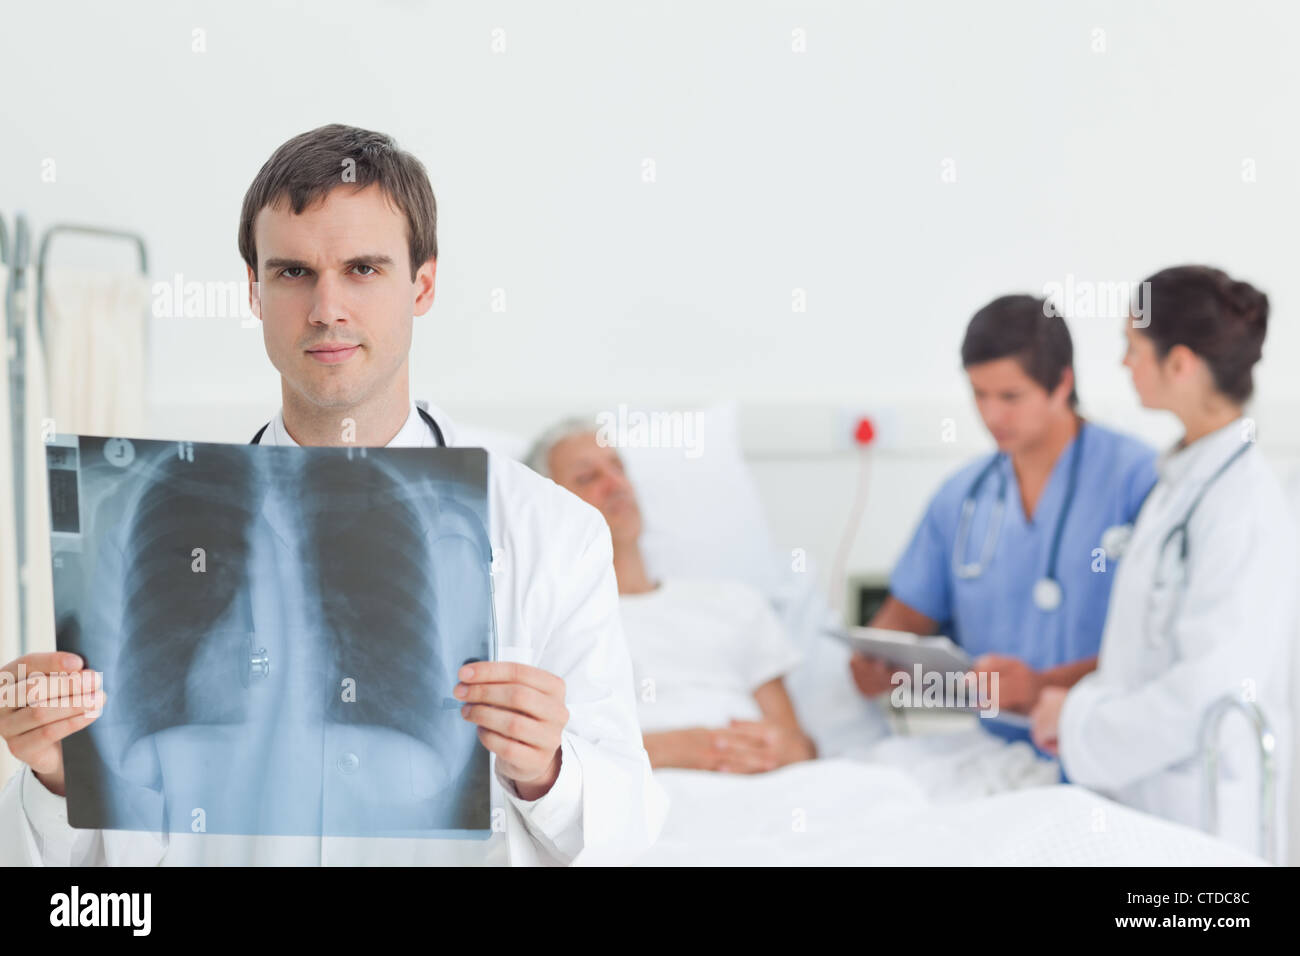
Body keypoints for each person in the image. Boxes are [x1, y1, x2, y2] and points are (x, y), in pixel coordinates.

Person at [0, 123, 667, 866]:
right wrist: (57, 775)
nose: (326, 309)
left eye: (362, 269)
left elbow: (629, 835)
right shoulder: (148, 522)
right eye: (292, 273)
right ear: (253, 290)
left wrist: (547, 772)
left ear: (423, 283)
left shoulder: (552, 533)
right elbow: (99, 878)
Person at [1030, 265, 1296, 860]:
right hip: (1151, 803)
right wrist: (1072, 711)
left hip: (1203, 823)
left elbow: (1206, 694)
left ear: (1180, 364)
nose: (1124, 364)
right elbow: (1142, 658)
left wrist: (1077, 723)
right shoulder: (1180, 484)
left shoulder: (1243, 508)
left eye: (1133, 348)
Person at [850, 295, 1159, 740]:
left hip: (1102, 749)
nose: (992, 415)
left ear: (1062, 384)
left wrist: (1041, 687)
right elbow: (904, 618)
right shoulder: (961, 497)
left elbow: (1164, 652)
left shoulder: (1138, 482)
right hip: (994, 753)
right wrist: (874, 661)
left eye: (1011, 396)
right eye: (979, 394)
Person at [526, 421, 817, 774]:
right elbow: (541, 763)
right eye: (588, 477)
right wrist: (672, 749)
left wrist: (781, 749)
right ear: (548, 514)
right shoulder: (546, 626)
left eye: (618, 468)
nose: (616, 485)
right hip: (652, 801)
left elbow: (803, 748)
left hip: (775, 791)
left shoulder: (735, 604)